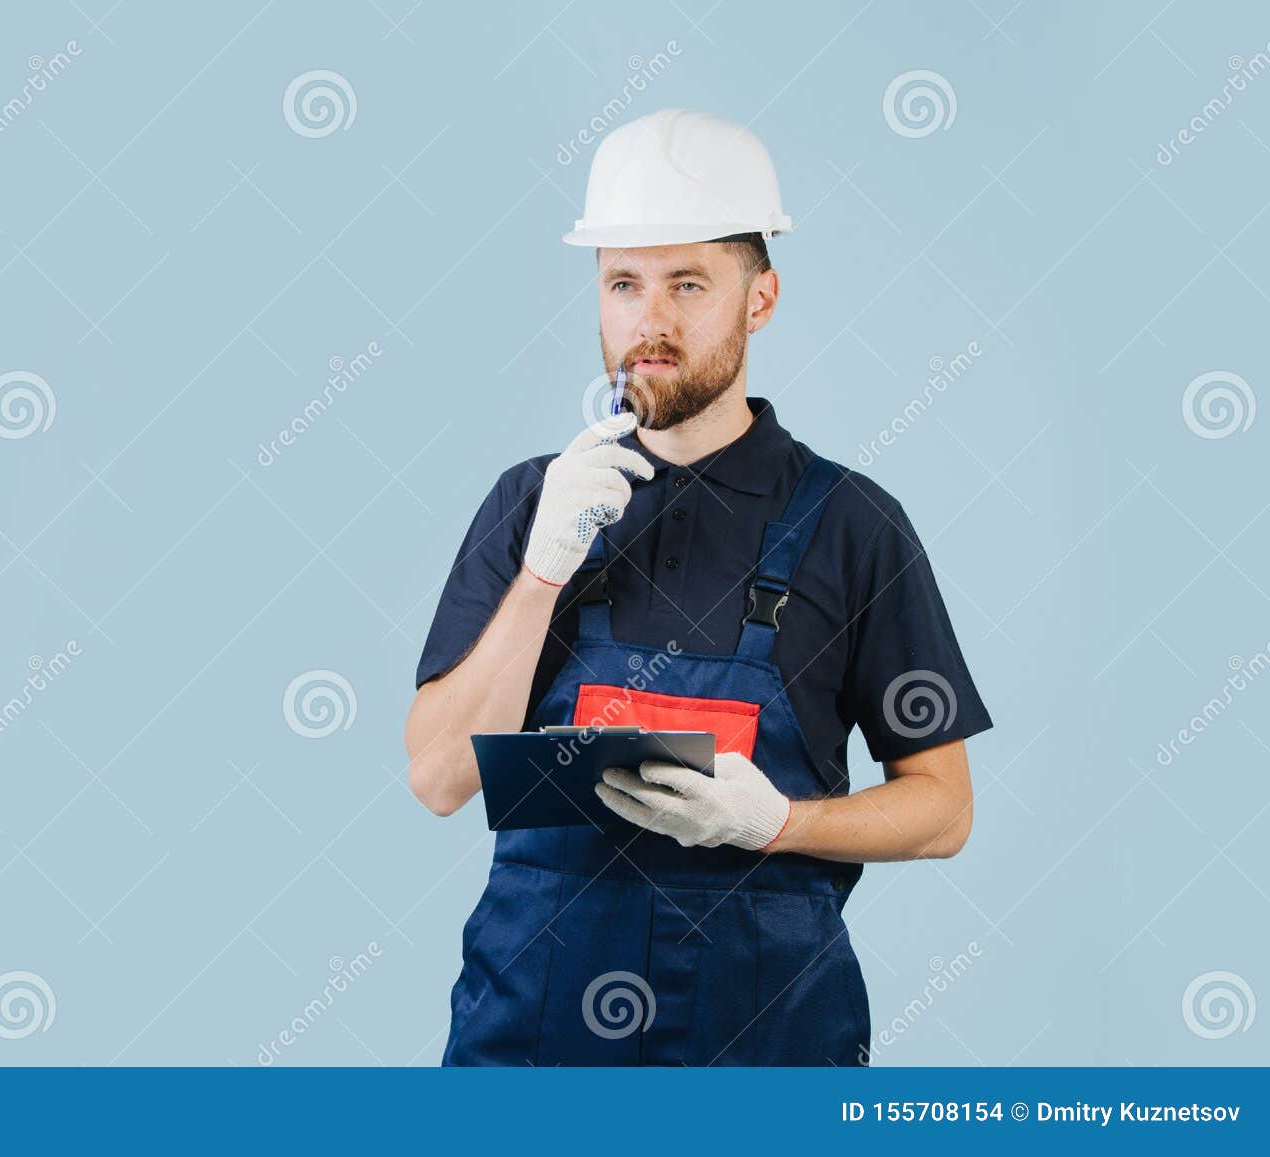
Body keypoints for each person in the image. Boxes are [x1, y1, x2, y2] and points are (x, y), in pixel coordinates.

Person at [403, 109, 993, 1066]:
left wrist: (780, 823)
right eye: (624, 284)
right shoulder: (529, 504)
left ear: (759, 298)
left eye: (689, 284)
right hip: (532, 1043)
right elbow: (438, 775)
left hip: (766, 1048)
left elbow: (945, 808)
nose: (652, 321)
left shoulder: (852, 523)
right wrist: (546, 566)